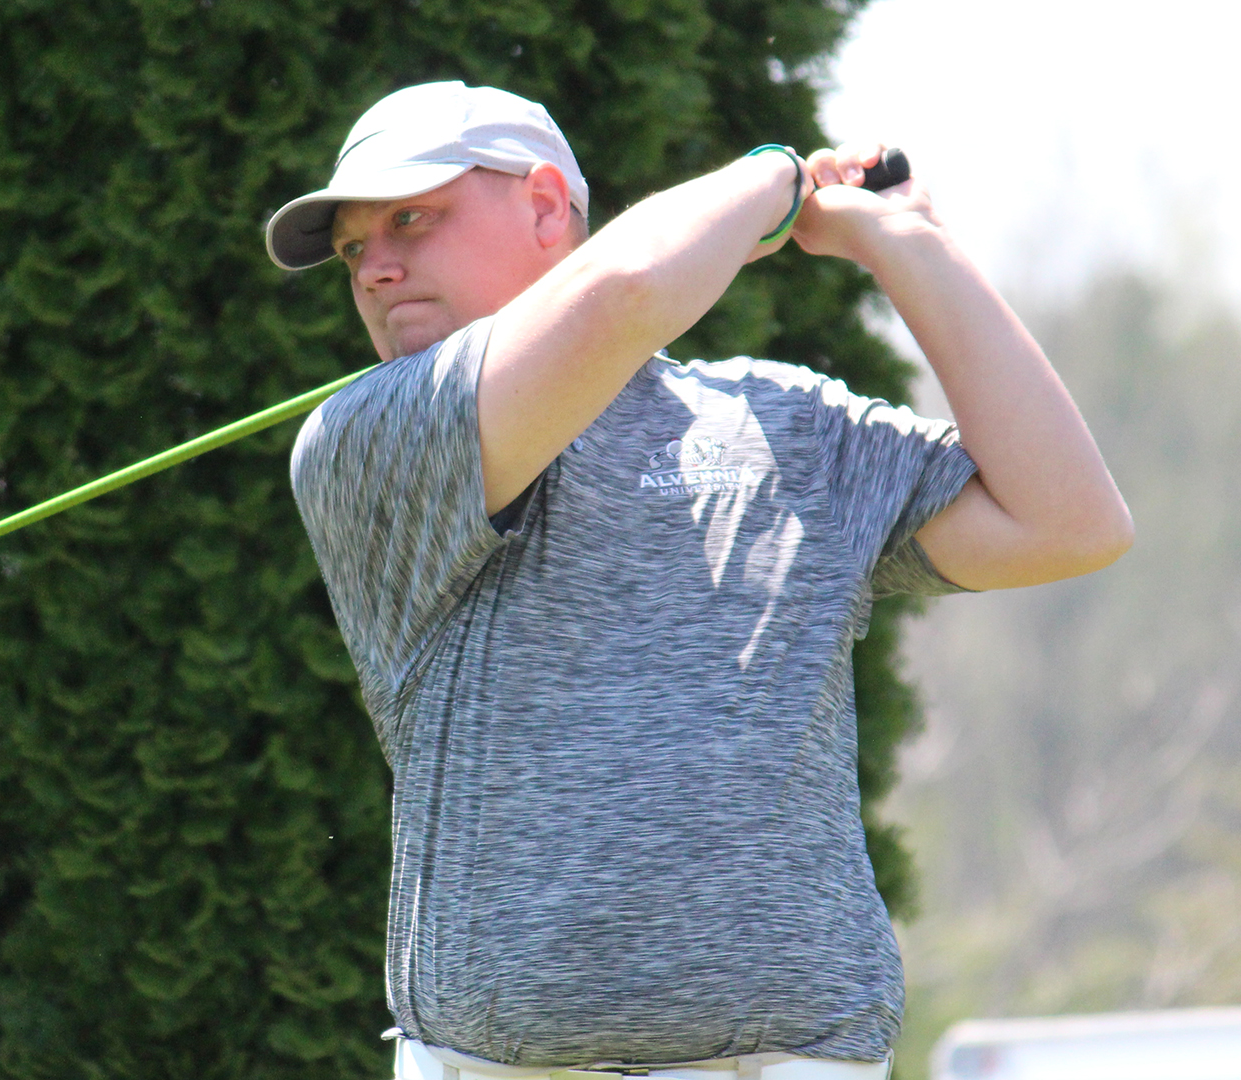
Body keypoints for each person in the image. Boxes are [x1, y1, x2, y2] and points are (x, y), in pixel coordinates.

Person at [266, 82, 1131, 1080]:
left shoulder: (786, 423)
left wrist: (907, 247)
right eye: (349, 251)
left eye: (410, 219)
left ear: (548, 207)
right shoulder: (368, 438)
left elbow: (1070, 522)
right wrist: (781, 175)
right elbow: (624, 295)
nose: (374, 267)